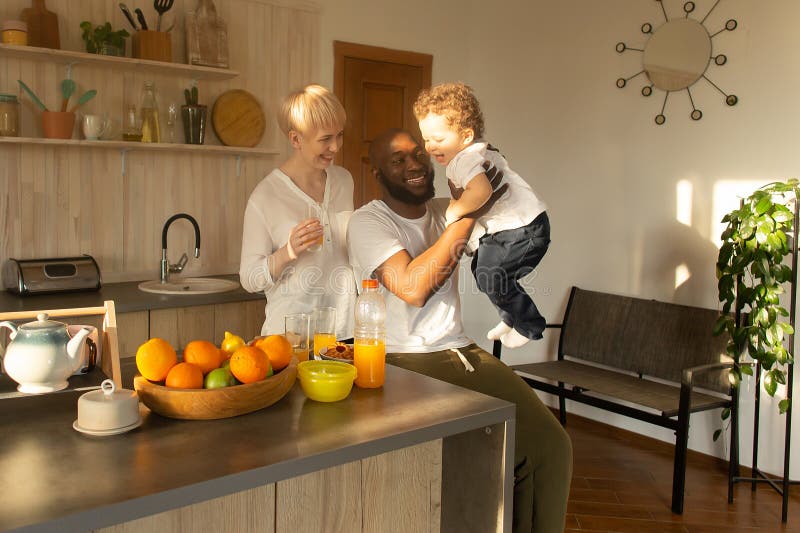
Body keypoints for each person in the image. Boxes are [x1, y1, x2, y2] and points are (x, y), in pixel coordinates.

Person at [346, 128, 572, 533]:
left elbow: (510, 222)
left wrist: (484, 193)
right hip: (403, 360)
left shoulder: (443, 209)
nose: (414, 164)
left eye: (418, 154)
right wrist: (468, 213)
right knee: (477, 461)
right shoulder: (369, 220)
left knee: (550, 448)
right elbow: (413, 287)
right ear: (377, 172)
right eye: (398, 160)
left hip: (461, 351)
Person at [413, 82, 550, 349]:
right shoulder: (472, 154)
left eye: (438, 139)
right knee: (483, 271)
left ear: (465, 136)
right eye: (426, 139)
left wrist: (454, 211)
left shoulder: (466, 159)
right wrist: (472, 241)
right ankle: (511, 316)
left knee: (490, 274)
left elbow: (481, 193)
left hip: (523, 229)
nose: (430, 147)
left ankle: (529, 324)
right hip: (511, 228)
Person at [240, 84, 356, 339]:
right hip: (290, 339)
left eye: (339, 135)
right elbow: (248, 278)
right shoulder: (266, 196)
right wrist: (287, 252)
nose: (336, 147)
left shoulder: (344, 181)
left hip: (344, 334)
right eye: (325, 139)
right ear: (295, 139)